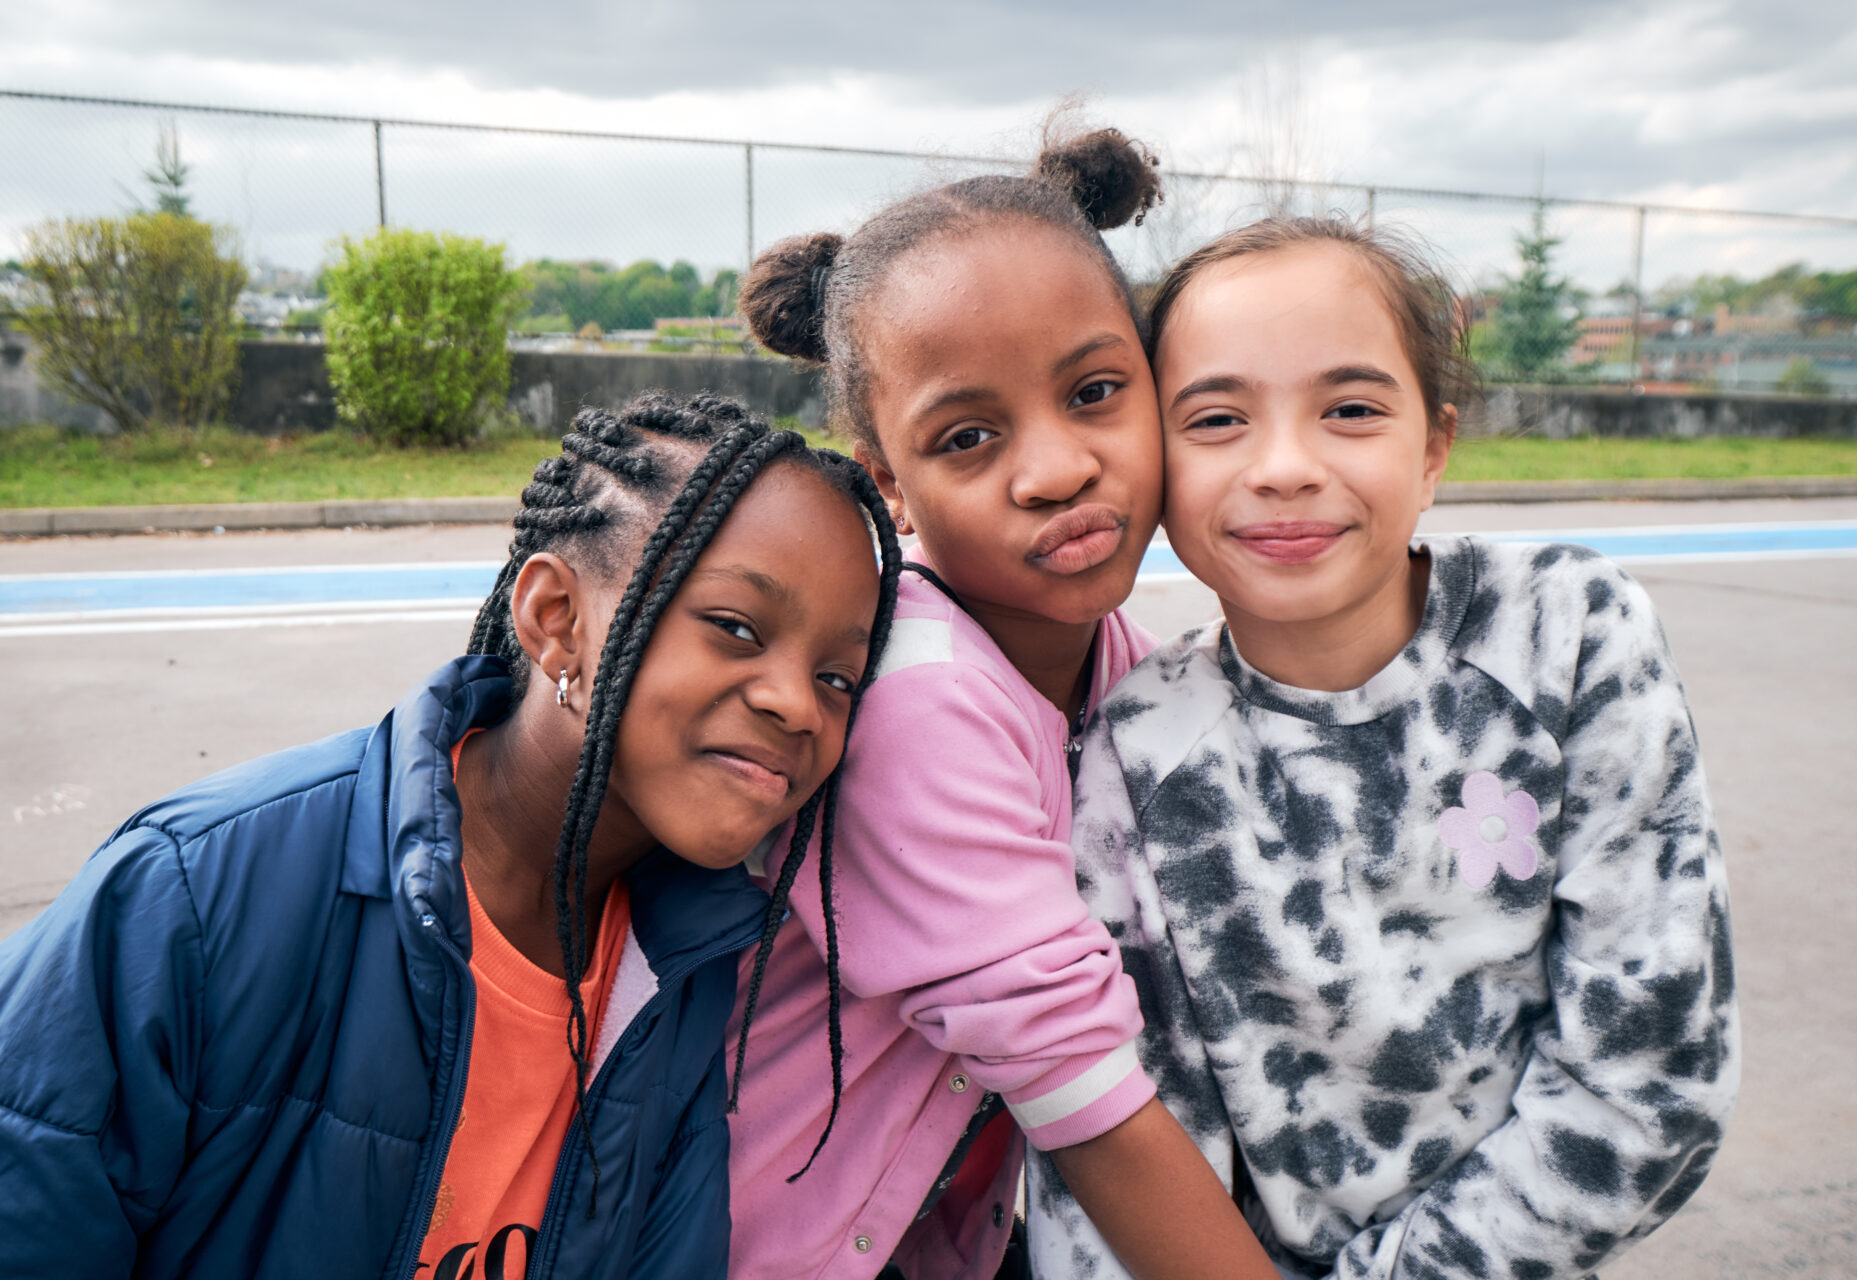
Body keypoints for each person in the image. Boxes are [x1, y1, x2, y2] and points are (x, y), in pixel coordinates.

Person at [0, 393, 901, 1280]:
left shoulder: (684, 969)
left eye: (837, 677)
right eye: (736, 629)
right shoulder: (197, 894)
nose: (796, 703)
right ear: (556, 621)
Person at [1027, 216, 1740, 1278]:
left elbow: (1650, 1081)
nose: (1283, 466)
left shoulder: (1565, 630)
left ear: (1435, 445)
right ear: (1156, 464)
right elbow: (1127, 1140)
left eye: (1351, 408)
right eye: (1216, 418)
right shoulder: (1137, 746)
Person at [725, 126, 1276, 1280]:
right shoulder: (918, 702)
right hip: (771, 1245)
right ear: (889, 483)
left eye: (1094, 392)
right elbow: (1086, 1097)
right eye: (969, 437)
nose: (1056, 469)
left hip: (940, 1232)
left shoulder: (1115, 653)